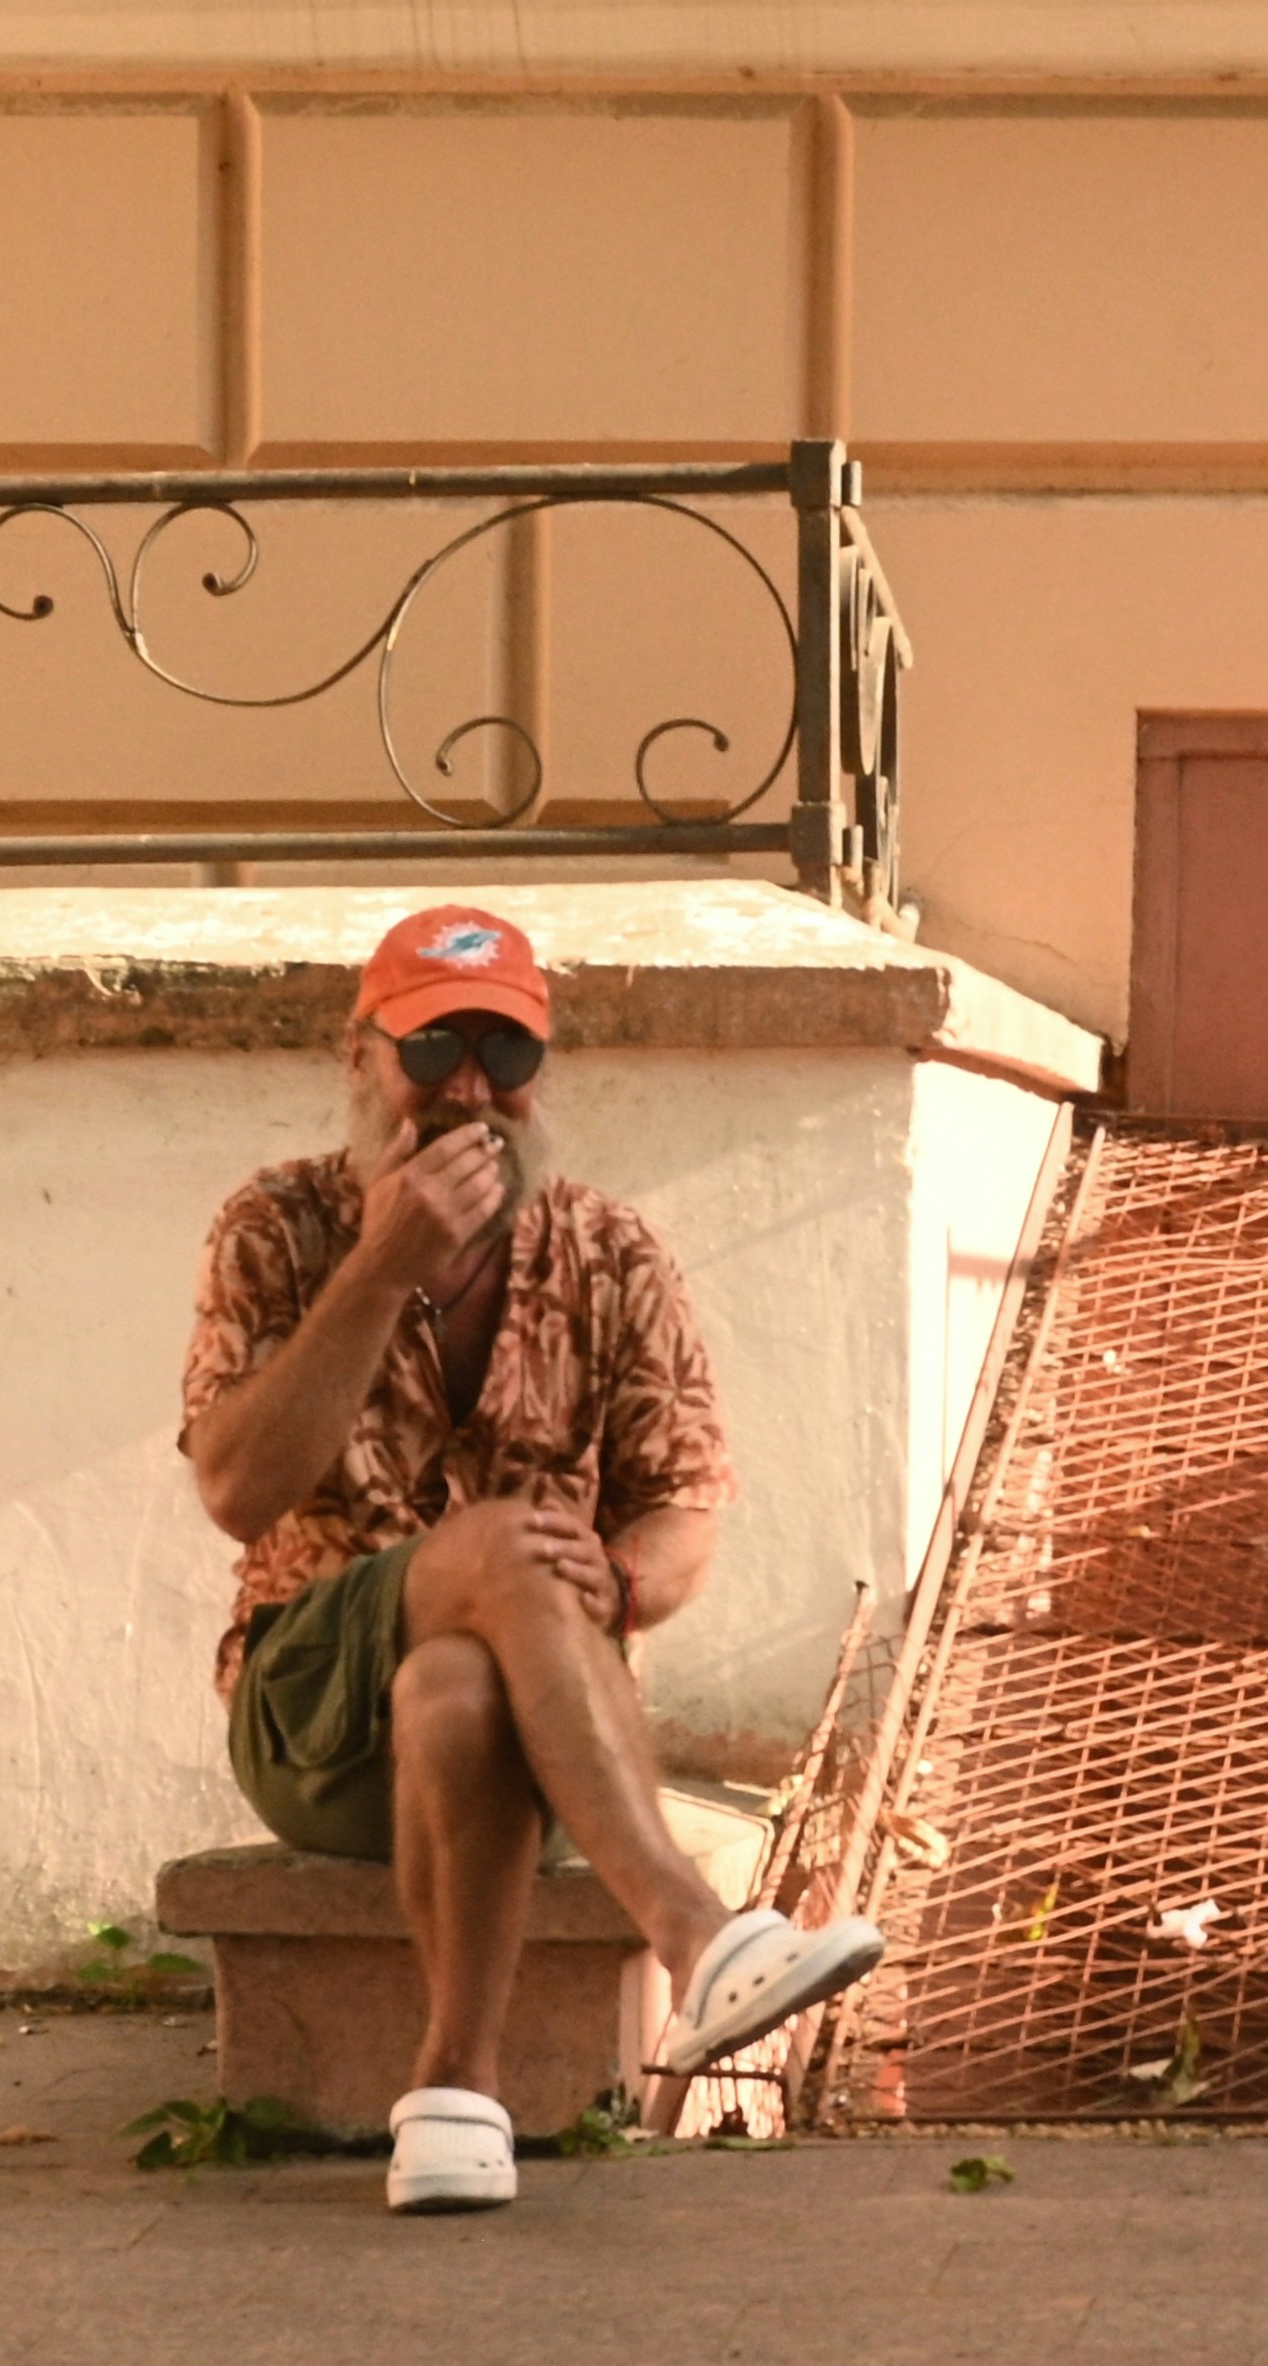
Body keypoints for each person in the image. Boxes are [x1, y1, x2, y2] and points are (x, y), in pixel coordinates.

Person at [181, 904, 883, 2213]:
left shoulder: (608, 1251)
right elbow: (236, 1489)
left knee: (459, 1684)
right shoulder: (277, 1229)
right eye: (432, 1046)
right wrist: (381, 1271)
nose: (466, 1089)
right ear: (360, 1059)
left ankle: (452, 2095)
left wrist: (612, 1590)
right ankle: (695, 1931)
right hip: (314, 1718)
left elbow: (682, 1512)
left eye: (503, 1057)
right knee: (497, 1543)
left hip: (552, 1726)